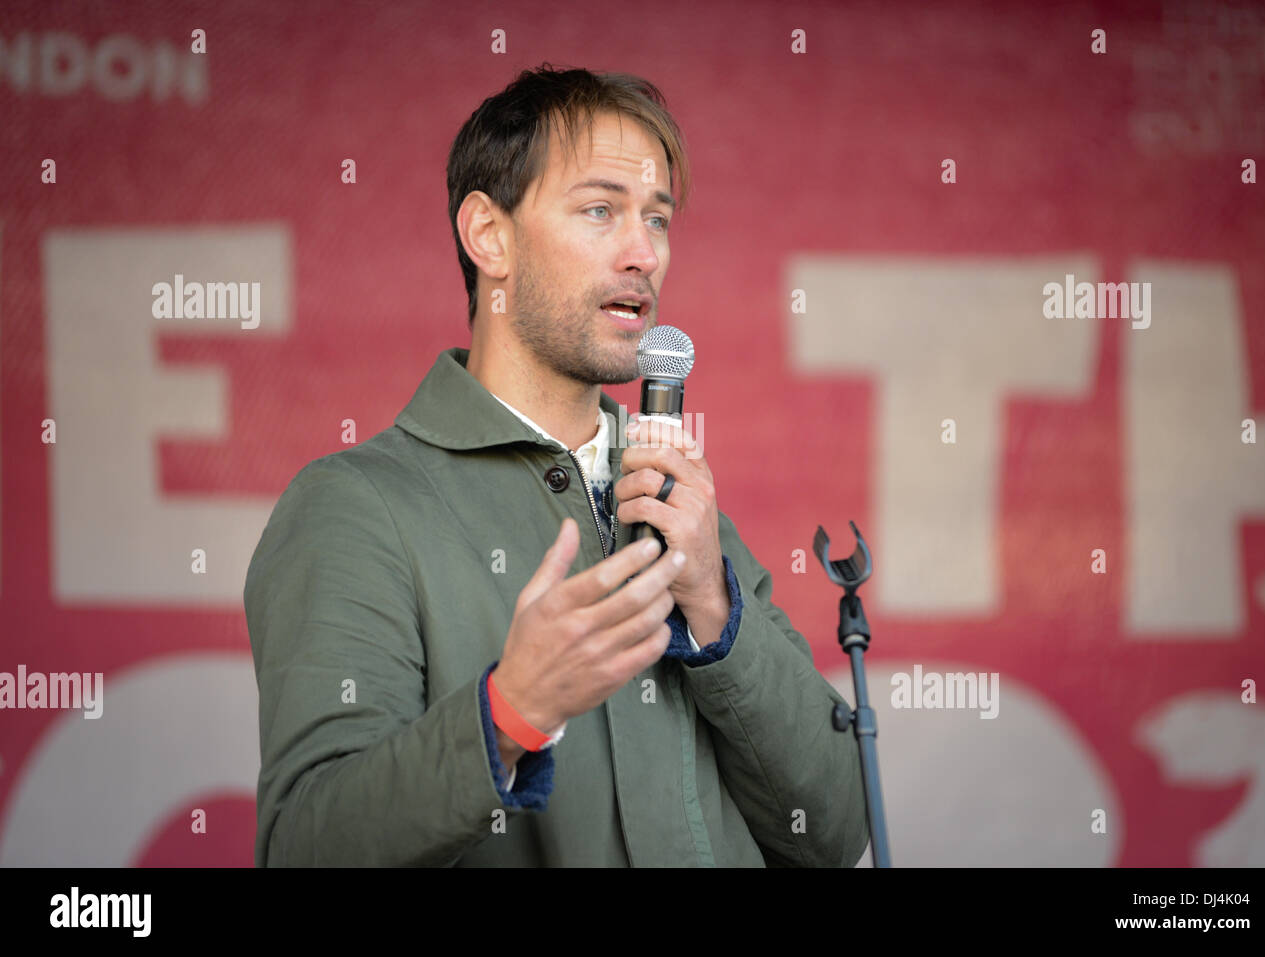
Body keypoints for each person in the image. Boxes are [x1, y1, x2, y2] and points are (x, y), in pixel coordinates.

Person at [245, 64, 869, 867]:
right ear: (488, 236)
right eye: (601, 210)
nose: (644, 252)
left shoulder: (679, 505)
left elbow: (836, 831)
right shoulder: (355, 507)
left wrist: (715, 611)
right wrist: (509, 715)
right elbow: (306, 847)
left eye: (658, 218)